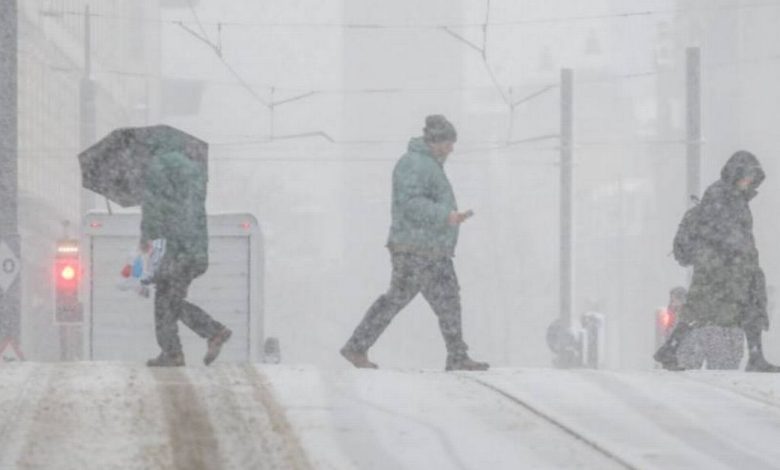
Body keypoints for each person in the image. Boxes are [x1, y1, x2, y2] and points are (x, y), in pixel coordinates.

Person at [340, 115, 489, 371]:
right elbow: (410, 204)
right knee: (417, 299)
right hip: (416, 249)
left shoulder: (427, 164)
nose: (451, 149)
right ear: (435, 142)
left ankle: (456, 354)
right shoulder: (415, 164)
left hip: (428, 248)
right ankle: (357, 346)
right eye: (448, 143)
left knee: (439, 299)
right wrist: (446, 215)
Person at [654, 151, 780, 372]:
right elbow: (723, 234)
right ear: (735, 173)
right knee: (706, 311)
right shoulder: (723, 195)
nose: (748, 181)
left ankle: (755, 356)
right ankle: (670, 350)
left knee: (743, 308)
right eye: (746, 175)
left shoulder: (732, 196)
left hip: (734, 266)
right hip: (723, 268)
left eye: (752, 177)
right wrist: (736, 257)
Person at [141, 150, 232, 367]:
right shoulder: (190, 187)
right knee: (171, 302)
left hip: (173, 255)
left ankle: (189, 344)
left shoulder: (158, 189)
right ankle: (200, 338)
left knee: (165, 305)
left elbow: (154, 228)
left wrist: (147, 247)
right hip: (192, 255)